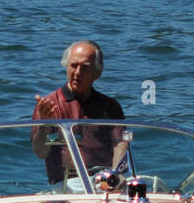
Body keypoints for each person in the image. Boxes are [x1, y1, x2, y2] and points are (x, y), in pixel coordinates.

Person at [31, 39, 127, 187]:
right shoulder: (48, 105)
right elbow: (40, 152)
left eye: (85, 67)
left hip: (104, 180)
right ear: (66, 67)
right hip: (66, 184)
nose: (77, 72)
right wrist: (45, 123)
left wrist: (116, 173)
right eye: (73, 66)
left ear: (98, 73)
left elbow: (120, 143)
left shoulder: (110, 106)